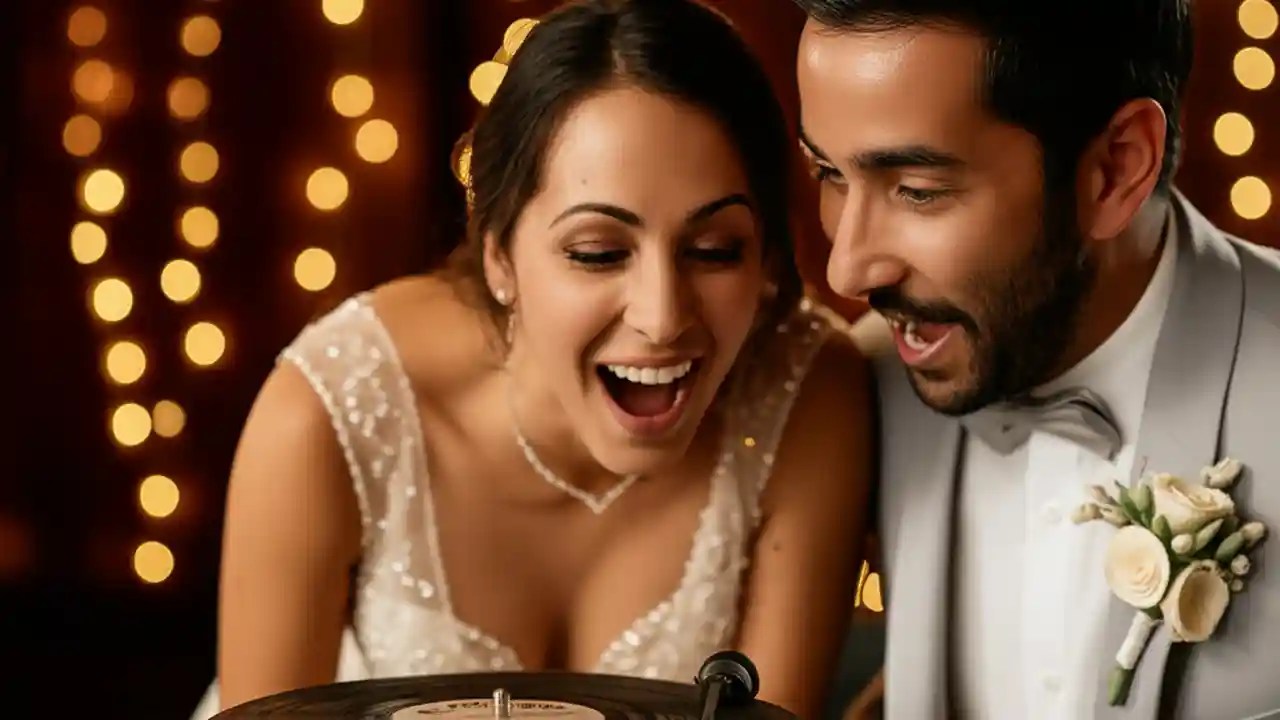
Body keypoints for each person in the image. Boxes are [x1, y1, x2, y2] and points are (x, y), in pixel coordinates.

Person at [191, 1, 875, 717]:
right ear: (499, 260)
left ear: (765, 253)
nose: (663, 315)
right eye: (598, 253)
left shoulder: (811, 389)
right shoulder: (329, 410)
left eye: (713, 251)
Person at [790, 0, 1280, 718]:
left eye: (917, 191)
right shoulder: (858, 384)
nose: (848, 270)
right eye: (829, 174)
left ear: (1117, 168)